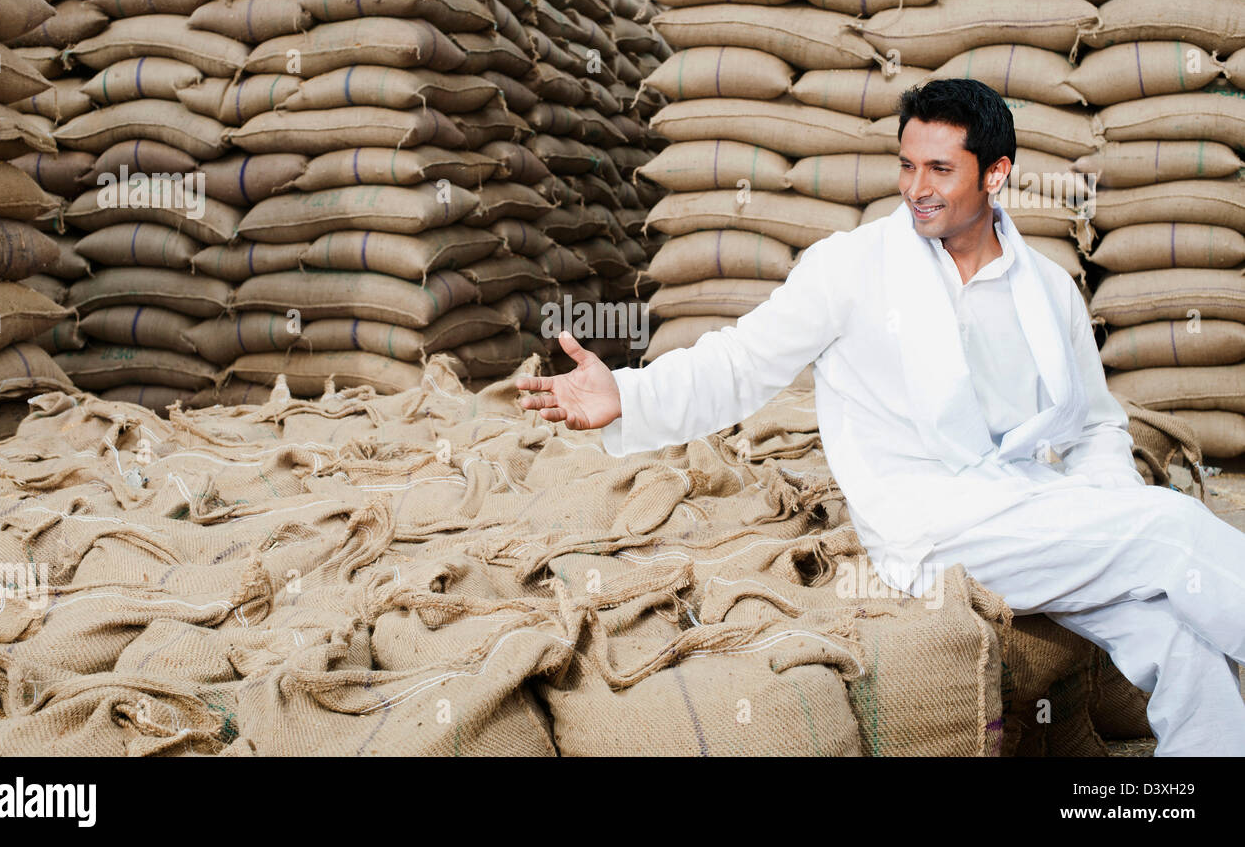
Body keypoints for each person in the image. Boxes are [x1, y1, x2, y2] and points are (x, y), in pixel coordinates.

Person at [516, 78, 1245, 756]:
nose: (915, 189)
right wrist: (630, 395)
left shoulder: (1048, 289)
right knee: (1170, 527)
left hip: (1039, 508)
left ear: (996, 173)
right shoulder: (852, 268)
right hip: (929, 526)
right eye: (906, 166)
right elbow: (741, 363)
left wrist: (1104, 510)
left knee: (1171, 627)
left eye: (939, 170)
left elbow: (1094, 424)